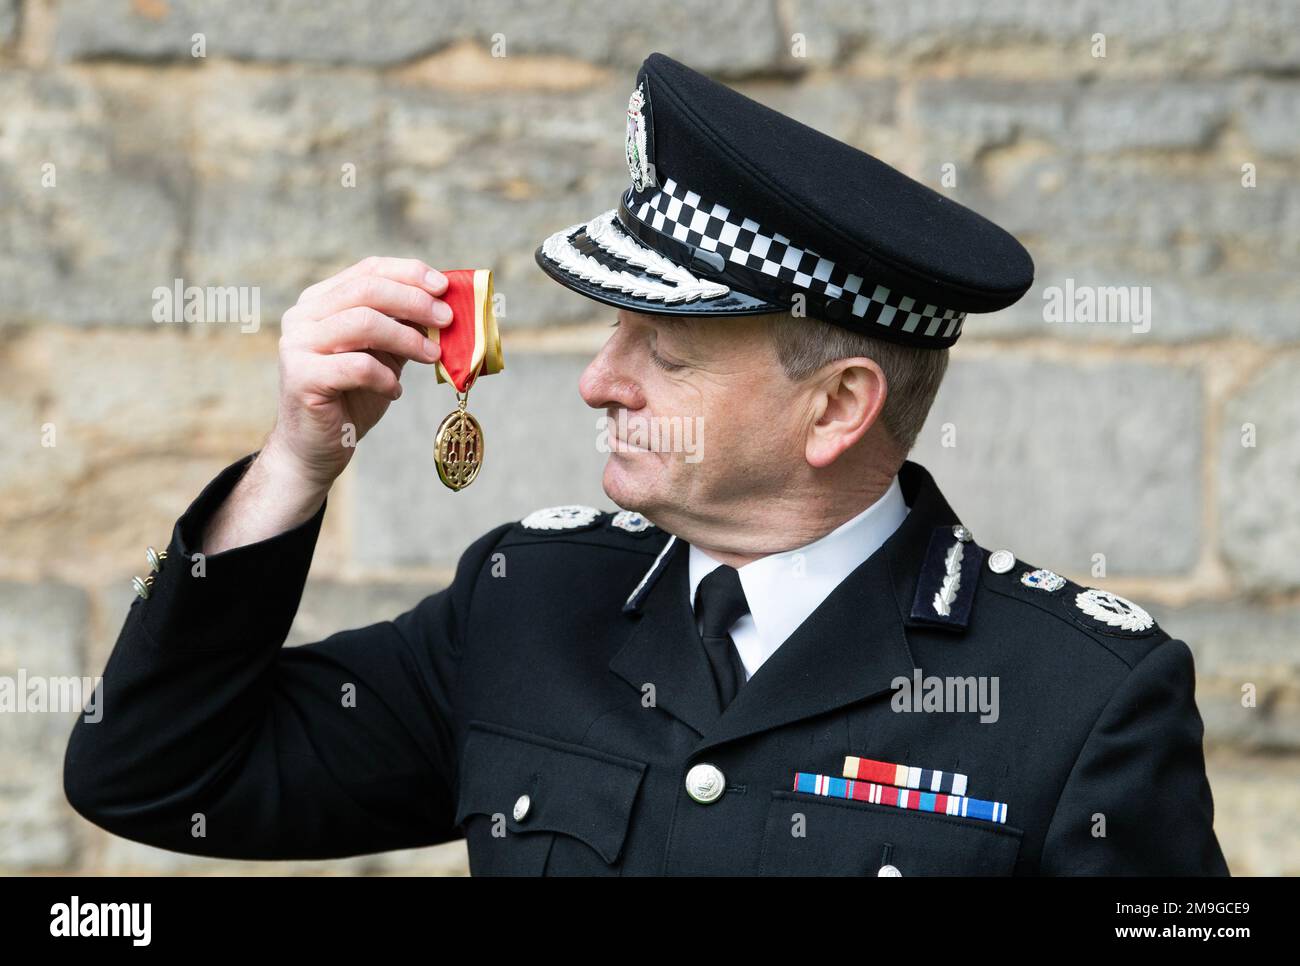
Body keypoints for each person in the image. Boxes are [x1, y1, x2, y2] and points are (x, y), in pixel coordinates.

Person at [63, 52, 1228, 875]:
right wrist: (292, 466)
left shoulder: (1077, 699)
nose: (597, 380)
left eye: (662, 352)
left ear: (836, 408)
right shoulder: (529, 601)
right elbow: (161, 777)